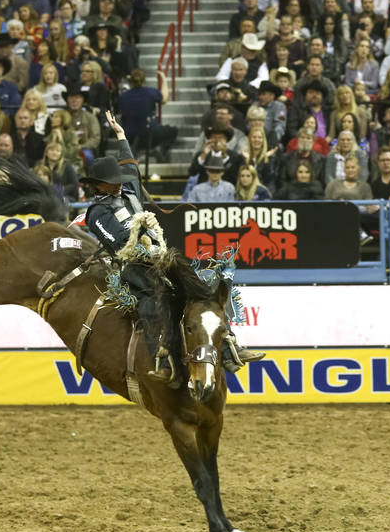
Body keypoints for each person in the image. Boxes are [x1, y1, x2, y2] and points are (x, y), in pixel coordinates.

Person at [83, 110, 263, 380]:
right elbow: (118, 244)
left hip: (161, 255)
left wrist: (121, 135)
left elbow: (129, 162)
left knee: (204, 289)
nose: (119, 185)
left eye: (118, 181)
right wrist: (141, 231)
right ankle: (163, 361)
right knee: (154, 300)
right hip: (132, 266)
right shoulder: (96, 214)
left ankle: (230, 348)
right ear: (98, 186)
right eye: (112, 183)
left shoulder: (129, 188)